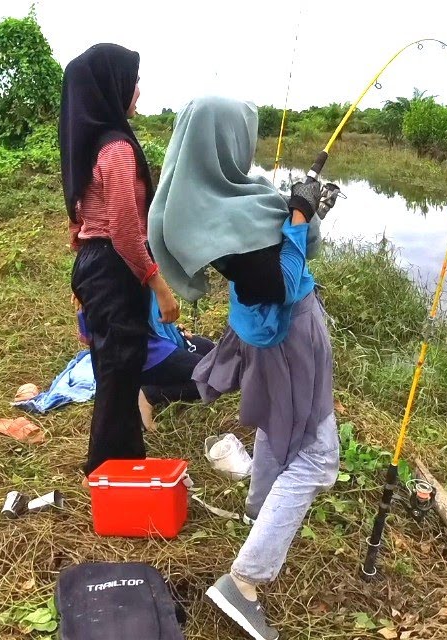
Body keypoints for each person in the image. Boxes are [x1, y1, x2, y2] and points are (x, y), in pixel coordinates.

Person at [148, 96, 338, 640]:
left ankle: (260, 509)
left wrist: (301, 209)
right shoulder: (235, 216)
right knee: (316, 453)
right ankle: (245, 581)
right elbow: (275, 280)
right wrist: (299, 216)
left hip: (269, 333)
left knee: (280, 424)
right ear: (224, 140)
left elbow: (268, 257)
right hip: (286, 338)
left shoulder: (215, 201)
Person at [59, 43, 180, 478]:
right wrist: (158, 284)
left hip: (93, 264)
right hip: (114, 266)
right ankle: (108, 472)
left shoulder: (86, 144)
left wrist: (81, 281)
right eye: (133, 82)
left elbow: (78, 218)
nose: (138, 92)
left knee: (114, 370)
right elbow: (126, 230)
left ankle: (126, 464)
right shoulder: (117, 149)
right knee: (117, 376)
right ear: (114, 87)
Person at [76, 291, 215, 431]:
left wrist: (174, 331)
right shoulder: (123, 277)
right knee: (213, 378)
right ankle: (149, 394)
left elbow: (86, 337)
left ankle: (152, 381)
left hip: (158, 339)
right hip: (146, 354)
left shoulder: (91, 281)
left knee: (210, 350)